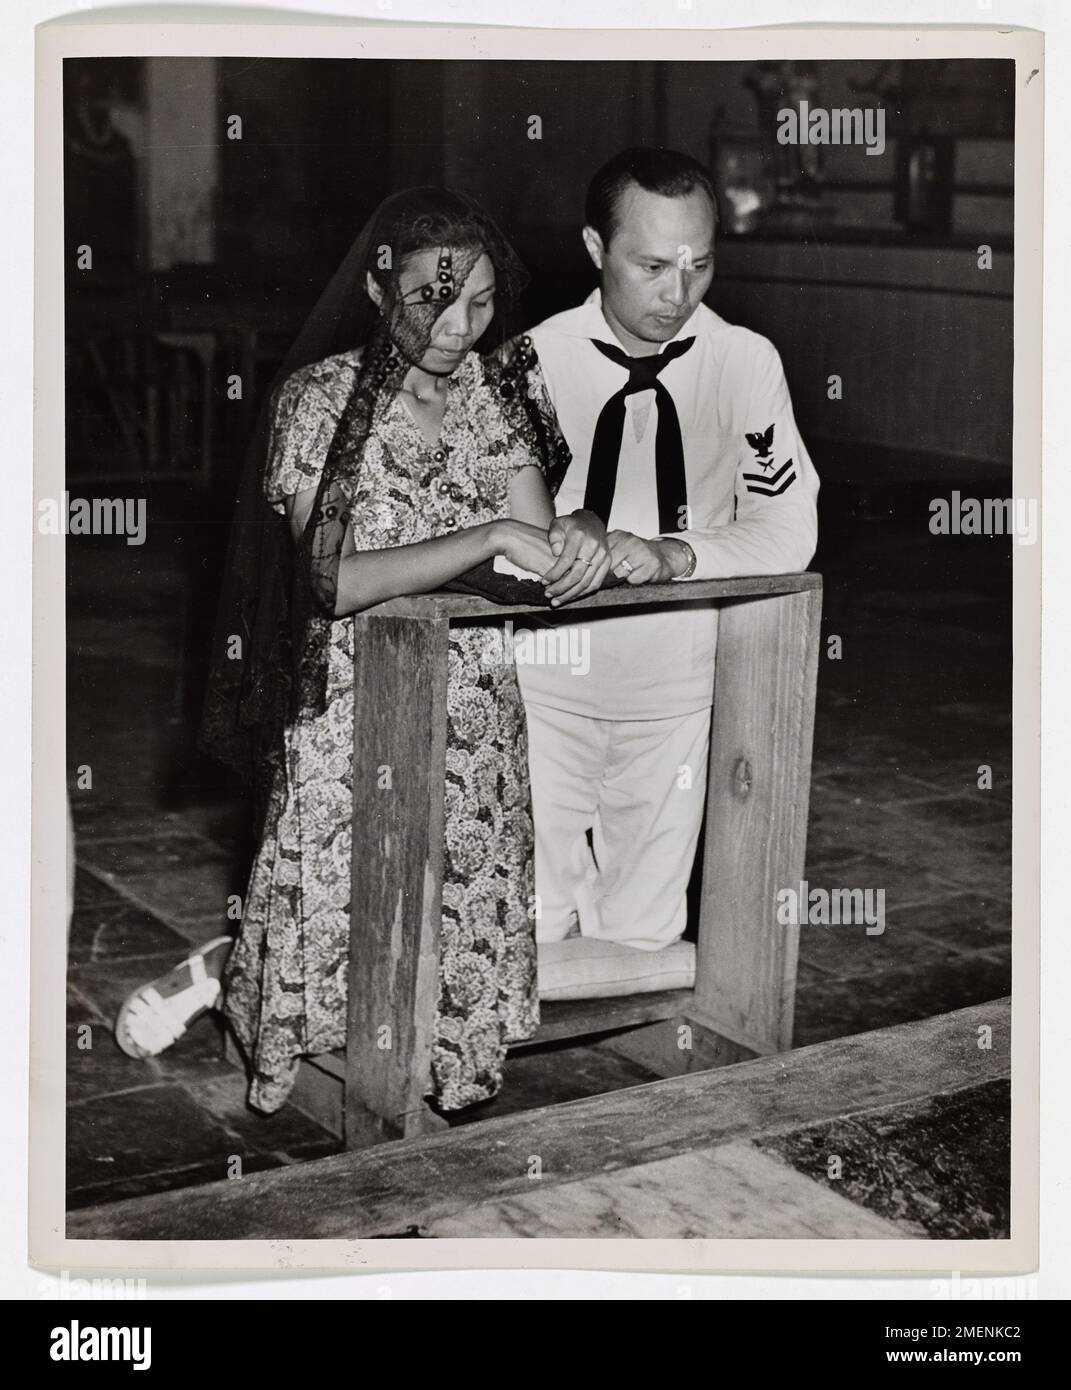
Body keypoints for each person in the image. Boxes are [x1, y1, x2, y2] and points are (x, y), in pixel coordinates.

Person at [114, 187, 610, 1115]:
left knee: (450, 891)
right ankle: (229, 970)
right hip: (342, 700)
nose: (460, 325)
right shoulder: (320, 399)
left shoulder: (498, 397)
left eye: (480, 301)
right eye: (434, 297)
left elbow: (534, 548)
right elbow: (331, 580)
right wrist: (484, 537)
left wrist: (578, 536)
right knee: (342, 899)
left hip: (472, 701)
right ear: (383, 290)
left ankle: (419, 1064)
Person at [515, 147, 820, 954]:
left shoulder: (741, 361)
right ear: (593, 249)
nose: (675, 295)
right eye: (650, 266)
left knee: (643, 938)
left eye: (698, 266)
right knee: (527, 931)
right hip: (544, 683)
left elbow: (789, 528)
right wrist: (562, 532)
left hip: (675, 689)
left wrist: (677, 554)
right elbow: (481, 533)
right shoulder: (531, 361)